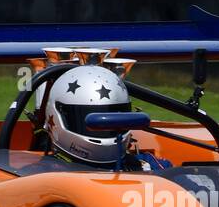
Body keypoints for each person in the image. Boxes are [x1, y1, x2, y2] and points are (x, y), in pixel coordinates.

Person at [42, 64, 170, 171]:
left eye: (116, 115)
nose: (106, 127)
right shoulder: (41, 176)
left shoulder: (151, 166)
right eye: (90, 122)